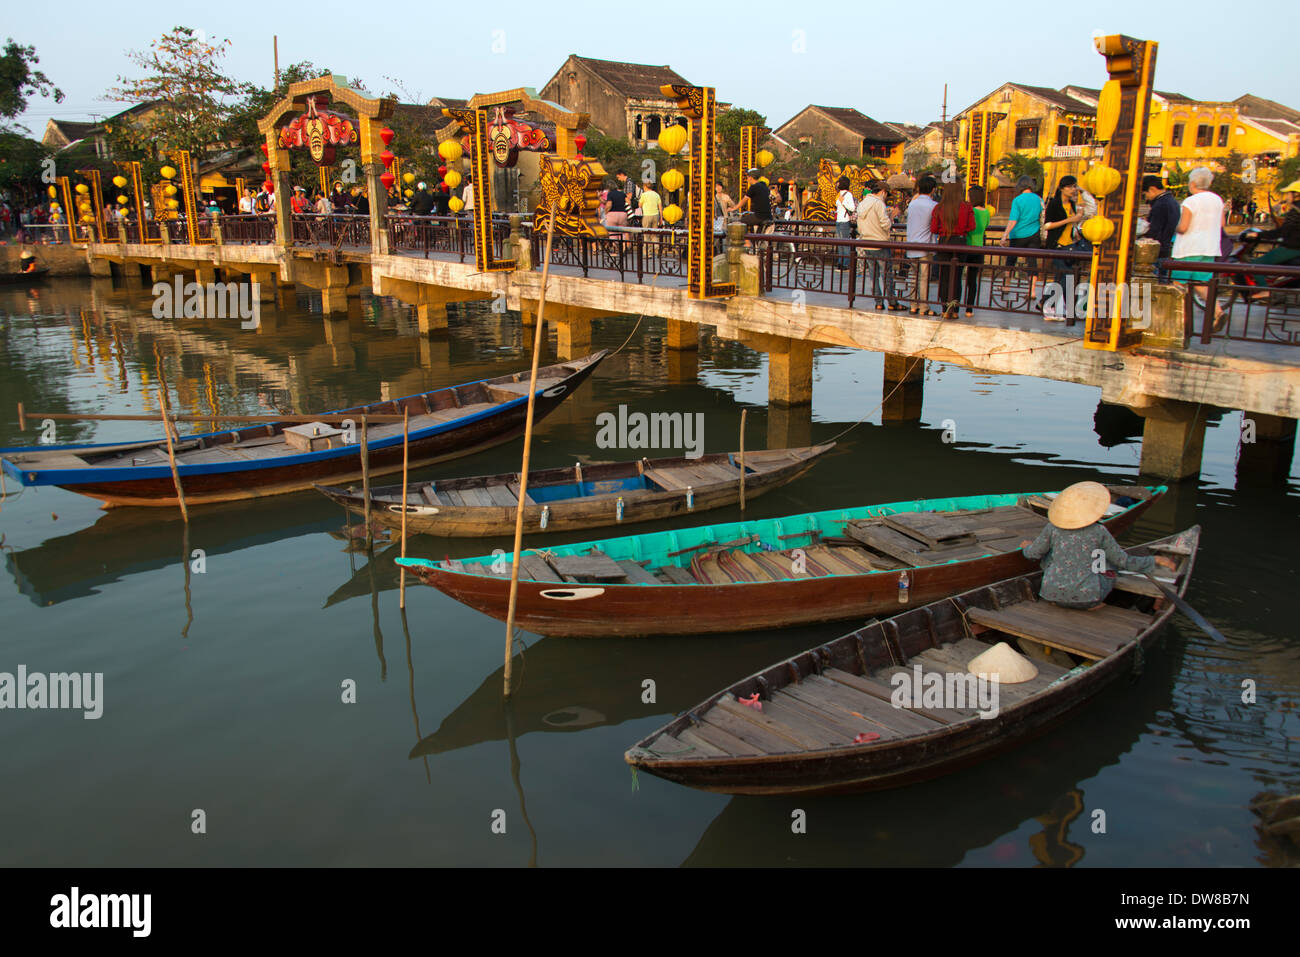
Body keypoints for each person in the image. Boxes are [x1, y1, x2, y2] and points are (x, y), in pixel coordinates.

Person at [1020, 481, 1176, 610]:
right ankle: (1094, 604)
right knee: (1110, 571)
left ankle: (1061, 599)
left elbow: (1032, 554)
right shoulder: (1099, 531)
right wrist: (1154, 560)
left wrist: (1027, 546)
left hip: (1050, 593)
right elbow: (1123, 562)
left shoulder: (1052, 529)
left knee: (1052, 558)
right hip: (1087, 598)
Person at [1170, 166, 1226, 325]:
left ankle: (1178, 320)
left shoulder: (1191, 201)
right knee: (1201, 285)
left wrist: (1173, 227)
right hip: (1209, 248)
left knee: (1179, 284)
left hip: (1188, 248)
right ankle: (1218, 312)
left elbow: (1183, 227)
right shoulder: (1217, 199)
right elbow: (1222, 223)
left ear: (1193, 183)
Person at [930, 178, 975, 312]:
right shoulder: (966, 206)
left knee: (944, 276)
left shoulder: (939, 207)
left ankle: (945, 308)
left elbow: (933, 229)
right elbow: (972, 226)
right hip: (960, 243)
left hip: (944, 242)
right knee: (957, 277)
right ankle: (955, 310)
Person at [1041, 175, 1084, 320]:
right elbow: (1047, 225)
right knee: (1067, 276)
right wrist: (1070, 220)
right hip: (1057, 246)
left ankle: (1045, 304)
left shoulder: (1071, 204)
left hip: (1070, 246)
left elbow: (1072, 225)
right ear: (1061, 188)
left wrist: (1075, 229)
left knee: (1061, 278)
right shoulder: (1054, 204)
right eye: (1070, 186)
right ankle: (1051, 306)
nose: (1073, 189)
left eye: (1075, 186)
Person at [998, 175, 1044, 299]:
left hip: (1018, 235)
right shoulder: (1039, 199)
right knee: (1032, 262)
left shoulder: (1018, 200)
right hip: (1034, 234)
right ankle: (1032, 291)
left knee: (1011, 261)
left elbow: (1013, 220)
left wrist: (1004, 235)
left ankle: (1007, 286)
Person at [855, 180, 898, 310]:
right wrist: (891, 219)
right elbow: (885, 224)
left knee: (873, 276)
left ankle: (878, 302)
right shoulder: (879, 204)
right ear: (883, 192)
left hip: (867, 243)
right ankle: (892, 302)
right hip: (880, 242)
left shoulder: (862, 203)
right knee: (887, 274)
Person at [1247, 179, 1300, 268]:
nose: (1286, 197)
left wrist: (1259, 235)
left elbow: (1283, 231)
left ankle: (1262, 282)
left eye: (1288, 194)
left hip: (1292, 248)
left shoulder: (1295, 211)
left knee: (1256, 267)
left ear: (1296, 195)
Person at [905, 174, 938, 315]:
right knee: (924, 278)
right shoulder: (933, 205)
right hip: (925, 246)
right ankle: (924, 306)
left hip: (912, 243)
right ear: (933, 190)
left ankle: (913, 304)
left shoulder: (912, 204)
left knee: (913, 276)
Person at [960, 184, 994, 317]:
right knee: (972, 280)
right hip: (979, 248)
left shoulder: (970, 211)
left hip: (967, 246)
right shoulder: (986, 212)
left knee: (958, 276)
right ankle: (969, 309)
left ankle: (955, 304)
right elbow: (985, 227)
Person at [1142, 175, 1180, 278]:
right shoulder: (1173, 202)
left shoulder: (1160, 204)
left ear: (1152, 189)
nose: (1146, 198)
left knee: (1149, 283)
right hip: (1165, 249)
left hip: (1156, 251)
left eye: (1145, 194)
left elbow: (1154, 230)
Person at [737, 168, 772, 247]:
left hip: (760, 216)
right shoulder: (763, 185)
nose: (747, 179)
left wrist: (734, 208)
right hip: (768, 216)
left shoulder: (753, 187)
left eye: (748, 177)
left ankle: (747, 243)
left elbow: (744, 200)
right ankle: (756, 249)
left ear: (751, 177)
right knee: (757, 239)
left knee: (740, 222)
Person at [833, 175, 856, 268]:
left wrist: (843, 202)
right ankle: (840, 261)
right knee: (840, 242)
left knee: (844, 242)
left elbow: (852, 208)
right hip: (839, 220)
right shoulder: (839, 194)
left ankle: (845, 263)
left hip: (844, 221)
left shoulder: (848, 194)